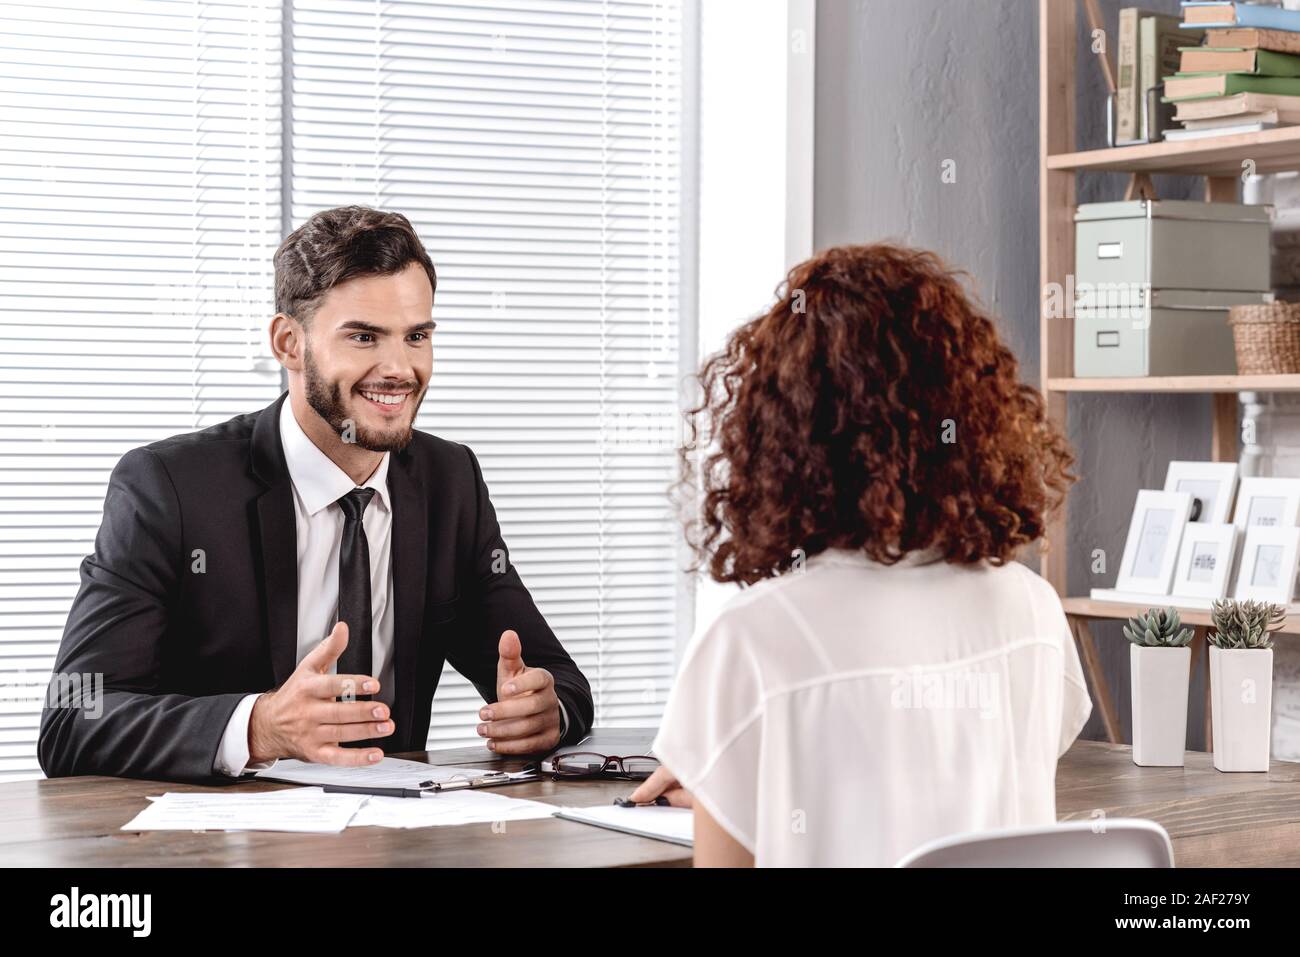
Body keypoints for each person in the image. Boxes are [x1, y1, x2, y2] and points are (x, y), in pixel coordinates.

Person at [39, 206, 593, 782]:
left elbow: (556, 679)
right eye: (363, 336)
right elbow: (72, 722)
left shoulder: (448, 480)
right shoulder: (170, 487)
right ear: (289, 343)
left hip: (397, 839)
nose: (399, 369)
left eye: (417, 337)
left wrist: (545, 713)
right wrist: (260, 726)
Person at [632, 242, 1092, 866]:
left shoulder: (752, 640)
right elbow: (961, 792)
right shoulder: (1034, 612)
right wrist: (745, 783)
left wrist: (735, 788)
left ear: (781, 427)